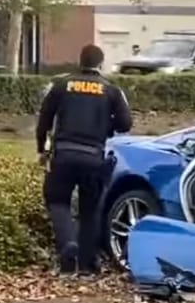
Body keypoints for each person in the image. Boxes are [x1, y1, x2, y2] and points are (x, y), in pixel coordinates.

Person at [36, 44, 134, 277]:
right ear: (100, 64)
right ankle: (87, 265)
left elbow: (45, 118)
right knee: (90, 210)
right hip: (93, 157)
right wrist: (104, 128)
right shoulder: (112, 90)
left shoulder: (61, 85)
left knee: (56, 200)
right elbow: (126, 124)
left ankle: (69, 245)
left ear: (79, 61)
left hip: (64, 154)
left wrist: (42, 149)